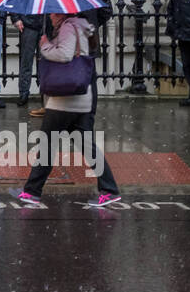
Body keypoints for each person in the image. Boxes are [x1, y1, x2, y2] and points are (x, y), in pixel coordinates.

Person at [17, 11, 121, 206]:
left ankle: (32, 191)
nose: (50, 17)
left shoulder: (68, 27)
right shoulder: (82, 25)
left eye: (53, 13)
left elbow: (64, 54)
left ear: (62, 13)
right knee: (87, 146)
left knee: (47, 145)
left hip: (64, 100)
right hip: (81, 98)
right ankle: (109, 189)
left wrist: (45, 46)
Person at [57, 0, 112, 118]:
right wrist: (93, 24)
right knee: (90, 76)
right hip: (89, 36)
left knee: (71, 75)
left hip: (71, 38)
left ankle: (74, 113)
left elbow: (60, 12)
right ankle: (90, 112)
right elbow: (107, 9)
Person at [10, 0, 52, 116]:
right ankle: (23, 94)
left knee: (45, 64)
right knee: (26, 62)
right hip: (27, 24)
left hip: (44, 24)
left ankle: (45, 96)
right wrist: (16, 19)